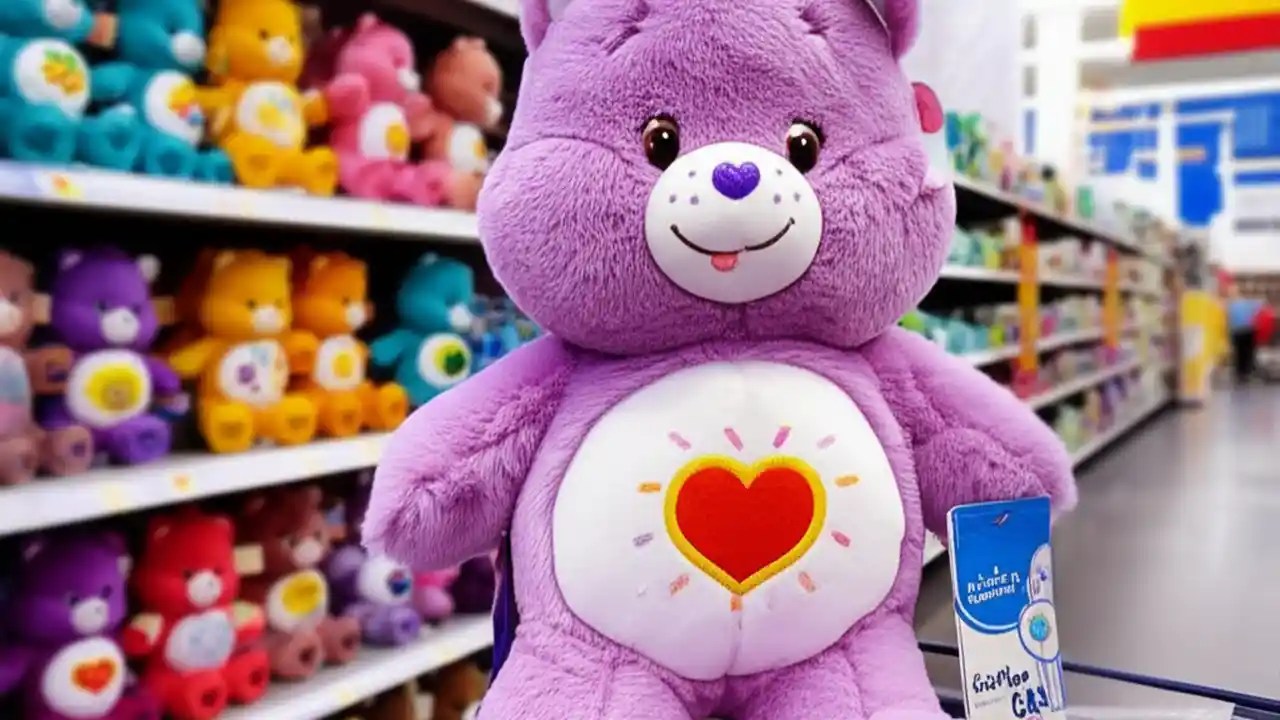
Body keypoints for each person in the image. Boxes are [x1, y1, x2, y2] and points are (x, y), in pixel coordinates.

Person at [1225, 282, 1264, 382]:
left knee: (1244, 353)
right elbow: (1260, 306)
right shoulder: (1231, 304)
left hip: (1245, 330)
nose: (1231, 294)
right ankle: (1244, 372)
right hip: (1242, 330)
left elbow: (1260, 306)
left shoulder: (1237, 304)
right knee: (1242, 353)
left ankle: (1244, 372)